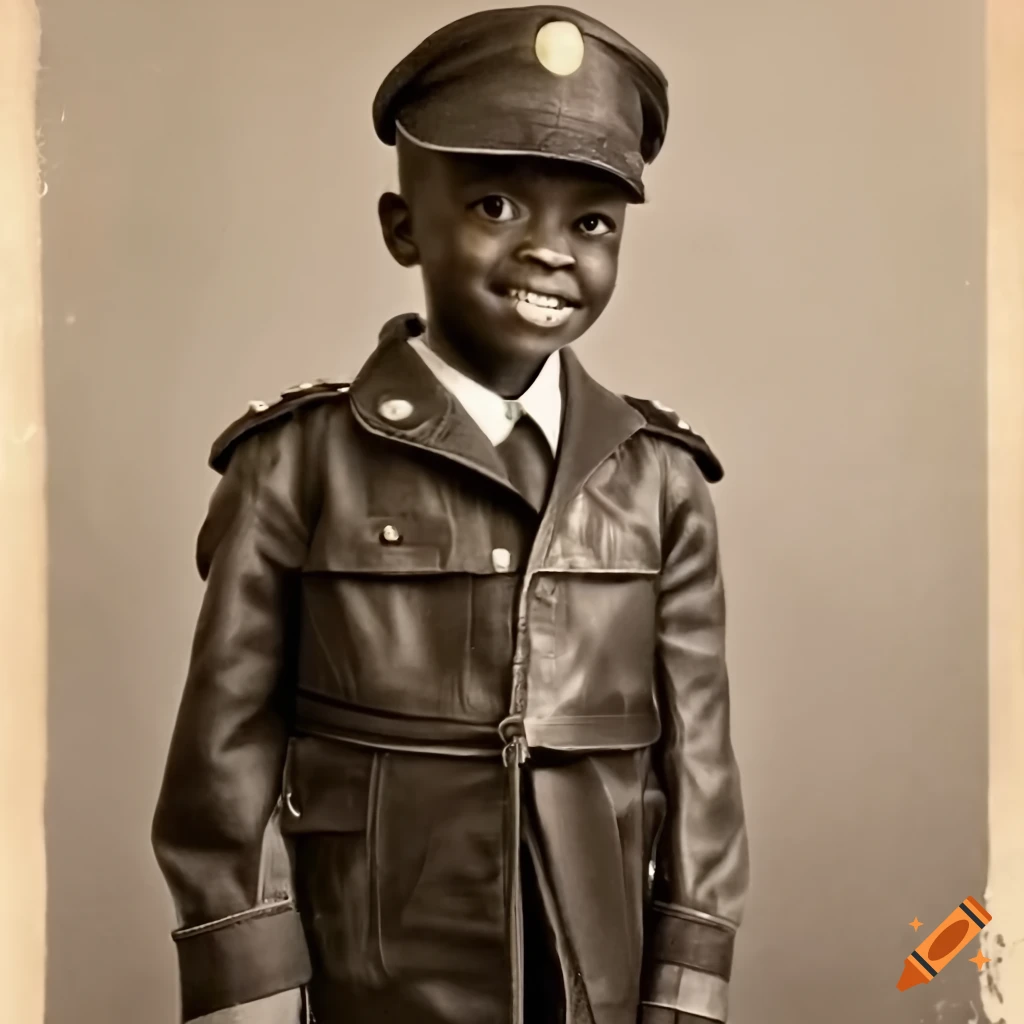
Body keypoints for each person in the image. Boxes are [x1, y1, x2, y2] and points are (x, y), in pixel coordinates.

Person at [151, 7, 749, 1024]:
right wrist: (244, 987)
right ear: (401, 226)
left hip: (591, 987)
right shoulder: (294, 465)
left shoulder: (659, 482)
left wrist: (685, 990)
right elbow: (224, 760)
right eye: (496, 204)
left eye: (591, 223)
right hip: (369, 982)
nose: (550, 252)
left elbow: (700, 771)